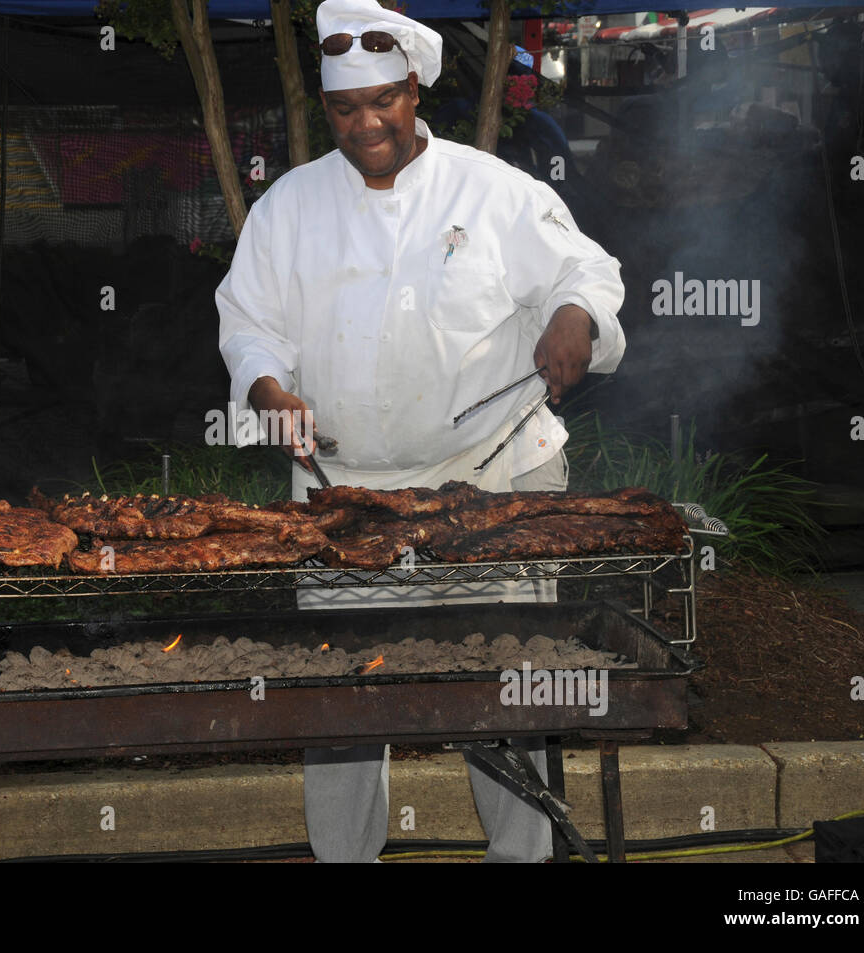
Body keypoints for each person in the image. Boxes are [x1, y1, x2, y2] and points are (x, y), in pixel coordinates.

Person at [216, 0, 626, 863]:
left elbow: (586, 268)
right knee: (341, 701)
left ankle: (522, 857)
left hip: (494, 484)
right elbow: (247, 320)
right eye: (344, 109)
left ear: (414, 92)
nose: (365, 124)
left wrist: (575, 316)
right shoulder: (288, 207)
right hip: (344, 494)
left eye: (383, 102)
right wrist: (265, 385)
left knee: (509, 690)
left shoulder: (493, 189)